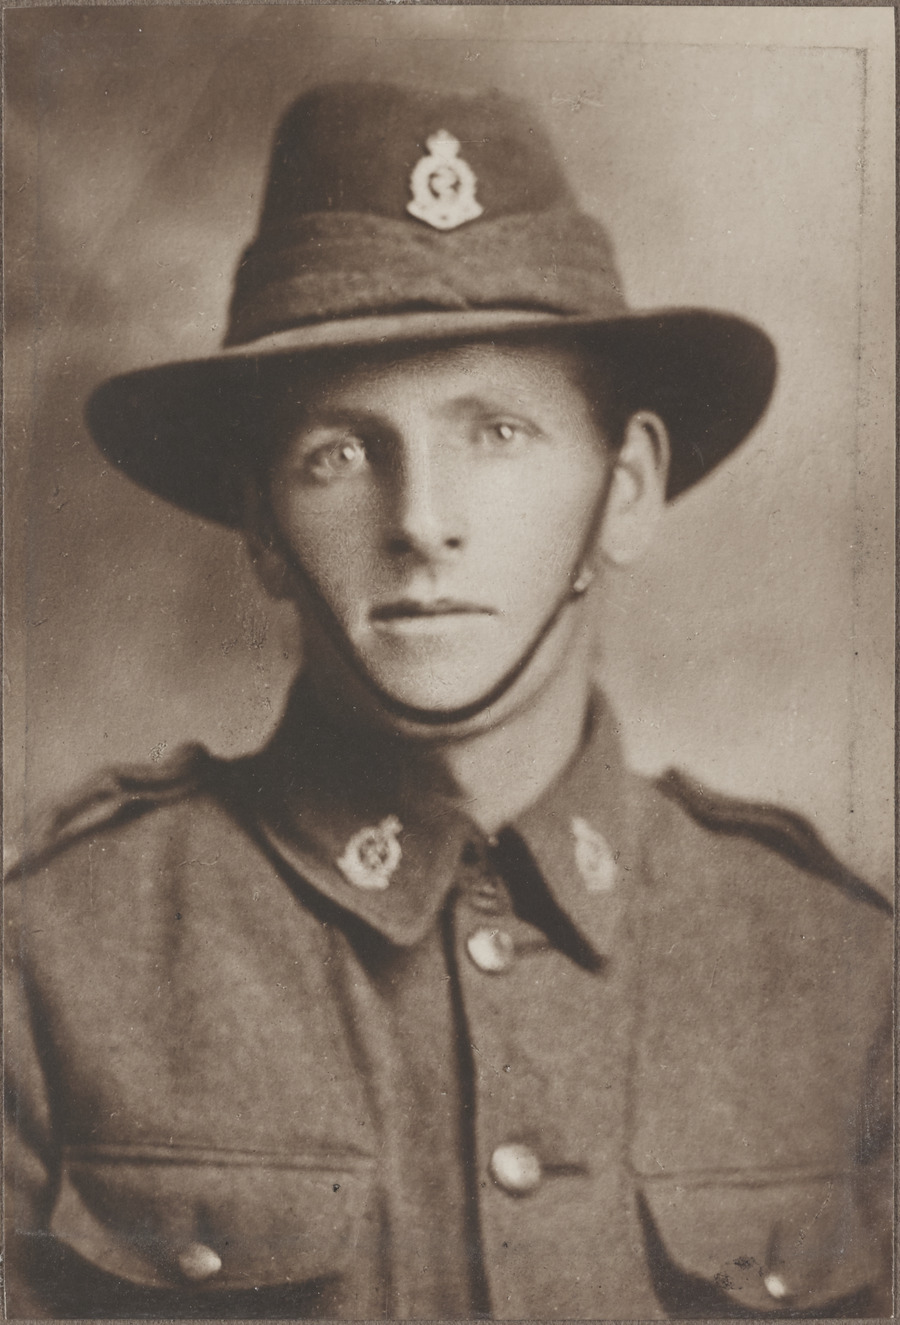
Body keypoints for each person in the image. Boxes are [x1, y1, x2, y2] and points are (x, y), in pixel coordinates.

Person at [4, 81, 892, 1320]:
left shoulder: (842, 970)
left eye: (500, 432)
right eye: (341, 451)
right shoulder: (51, 958)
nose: (422, 522)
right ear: (261, 523)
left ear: (626, 489)